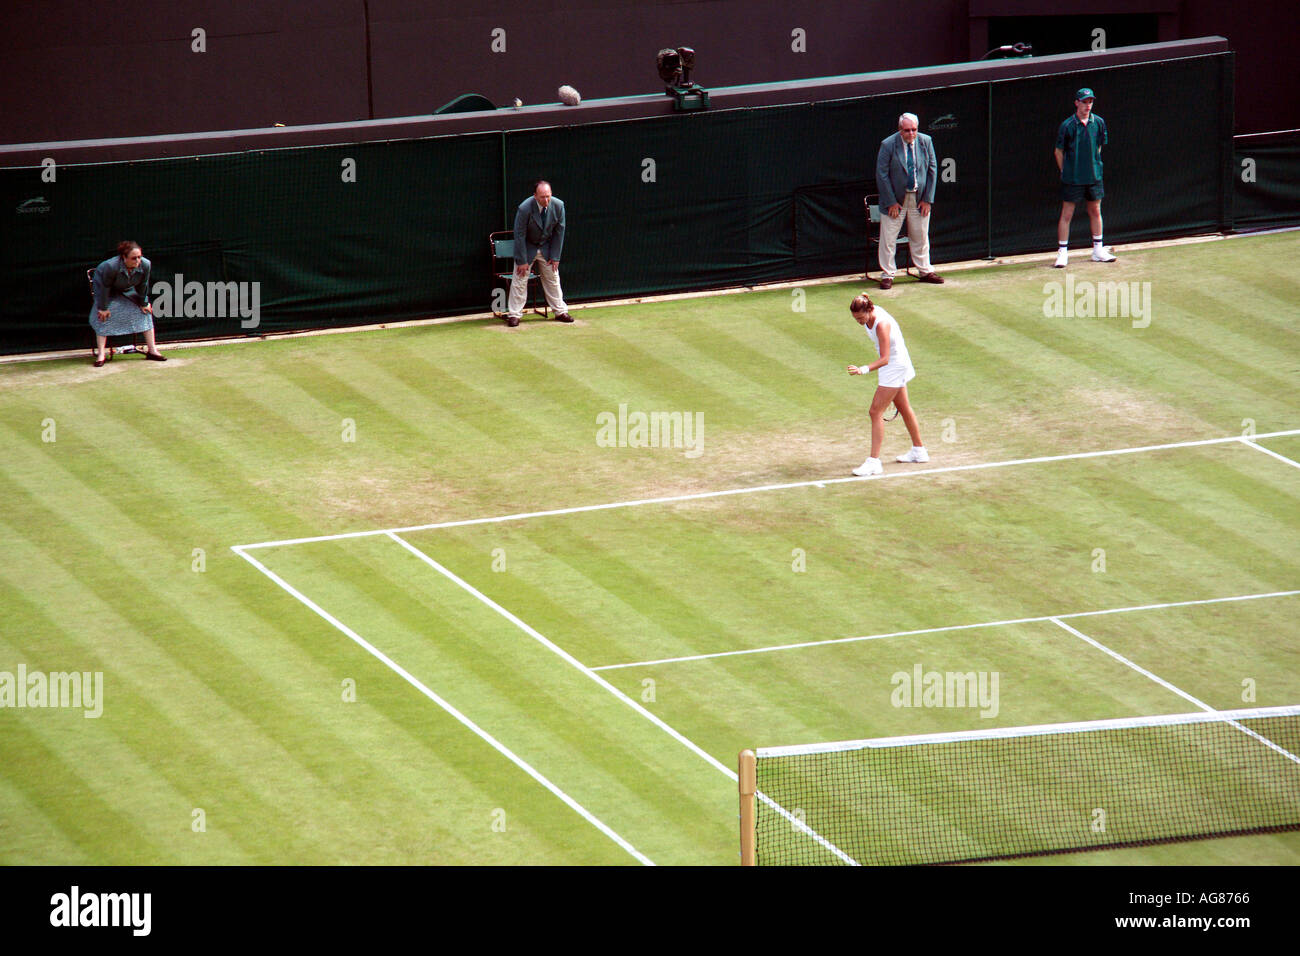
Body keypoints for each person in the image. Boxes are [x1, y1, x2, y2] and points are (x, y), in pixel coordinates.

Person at [846, 293, 928, 476]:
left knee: (875, 411)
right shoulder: (869, 309)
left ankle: (874, 462)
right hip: (894, 365)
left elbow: (885, 359)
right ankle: (919, 451)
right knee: (904, 407)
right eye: (855, 319)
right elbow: (864, 295)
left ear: (869, 310)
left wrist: (863, 369)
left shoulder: (882, 324)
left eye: (860, 318)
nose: (859, 321)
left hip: (894, 366)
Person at [875, 113, 943, 290]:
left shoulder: (925, 141)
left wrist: (928, 199)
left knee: (920, 235)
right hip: (895, 199)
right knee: (888, 238)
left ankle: (925, 271)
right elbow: (881, 174)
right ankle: (888, 274)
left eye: (914, 130)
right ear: (900, 130)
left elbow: (932, 169)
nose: (911, 133)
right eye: (907, 130)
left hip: (918, 198)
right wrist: (891, 202)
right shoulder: (888, 144)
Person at [1054, 88, 1116, 267]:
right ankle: (1062, 253)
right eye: (1084, 102)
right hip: (1072, 178)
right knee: (1067, 214)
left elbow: (1098, 147)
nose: (1087, 105)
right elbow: (1058, 152)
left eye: (1090, 102)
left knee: (1095, 211)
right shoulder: (1067, 126)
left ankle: (1098, 250)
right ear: (1077, 103)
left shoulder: (1099, 123)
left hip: (1094, 176)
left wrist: (1093, 164)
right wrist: (1065, 172)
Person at [505, 180, 572, 327]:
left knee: (553, 278)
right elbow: (519, 235)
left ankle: (560, 311)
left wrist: (555, 256)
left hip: (547, 248)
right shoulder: (524, 208)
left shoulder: (559, 206)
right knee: (520, 280)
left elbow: (559, 233)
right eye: (542, 197)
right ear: (535, 196)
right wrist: (522, 260)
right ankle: (514, 315)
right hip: (527, 248)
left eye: (548, 196)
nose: (546, 200)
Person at [90, 241, 166, 366]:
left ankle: (152, 351)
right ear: (124, 258)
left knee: (145, 312)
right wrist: (103, 307)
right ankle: (101, 355)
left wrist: (143, 302)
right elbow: (104, 288)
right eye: (133, 258)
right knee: (103, 316)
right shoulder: (110, 266)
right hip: (105, 292)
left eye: (139, 257)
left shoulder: (145, 265)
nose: (137, 261)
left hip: (126, 291)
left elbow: (143, 285)